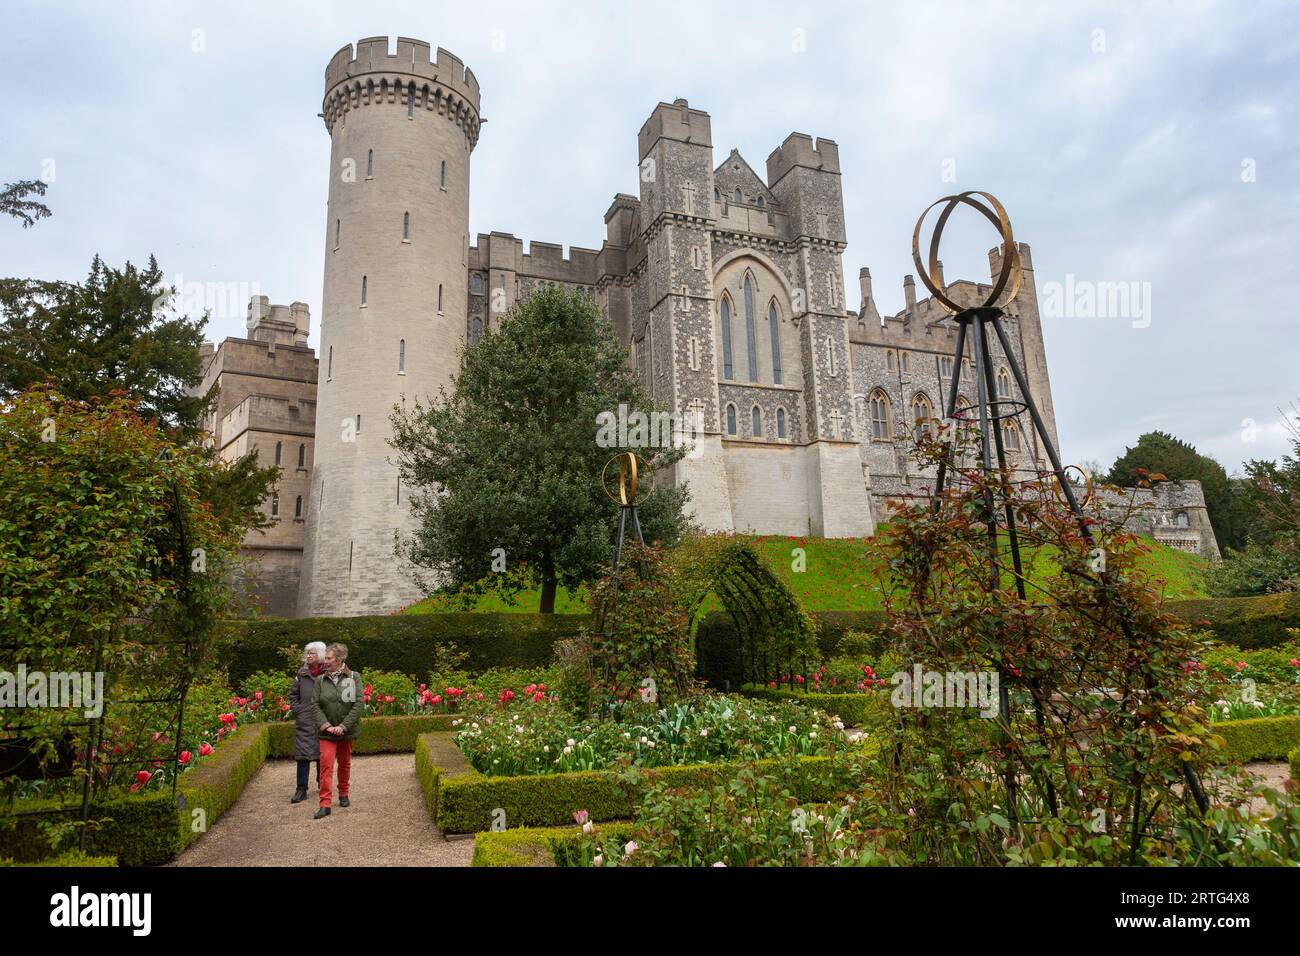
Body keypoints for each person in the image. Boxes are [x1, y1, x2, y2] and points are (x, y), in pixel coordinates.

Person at [310, 642, 363, 819]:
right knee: (326, 765)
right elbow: (315, 705)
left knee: (345, 763)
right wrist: (326, 726)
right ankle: (325, 804)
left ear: (340, 659)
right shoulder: (320, 680)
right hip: (326, 731)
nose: (325, 661)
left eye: (329, 658)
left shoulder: (353, 677)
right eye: (325, 657)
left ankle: (343, 793)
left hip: (345, 731)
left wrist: (343, 726)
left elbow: (358, 704)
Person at [288, 641, 326, 803]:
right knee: (302, 755)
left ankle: (321, 783)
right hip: (305, 719)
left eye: (312, 653)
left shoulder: (328, 673)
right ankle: (301, 789)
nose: (308, 656)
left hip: (323, 719)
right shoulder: (301, 673)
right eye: (308, 653)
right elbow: (293, 694)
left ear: (321, 656)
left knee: (321, 754)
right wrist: (299, 709)